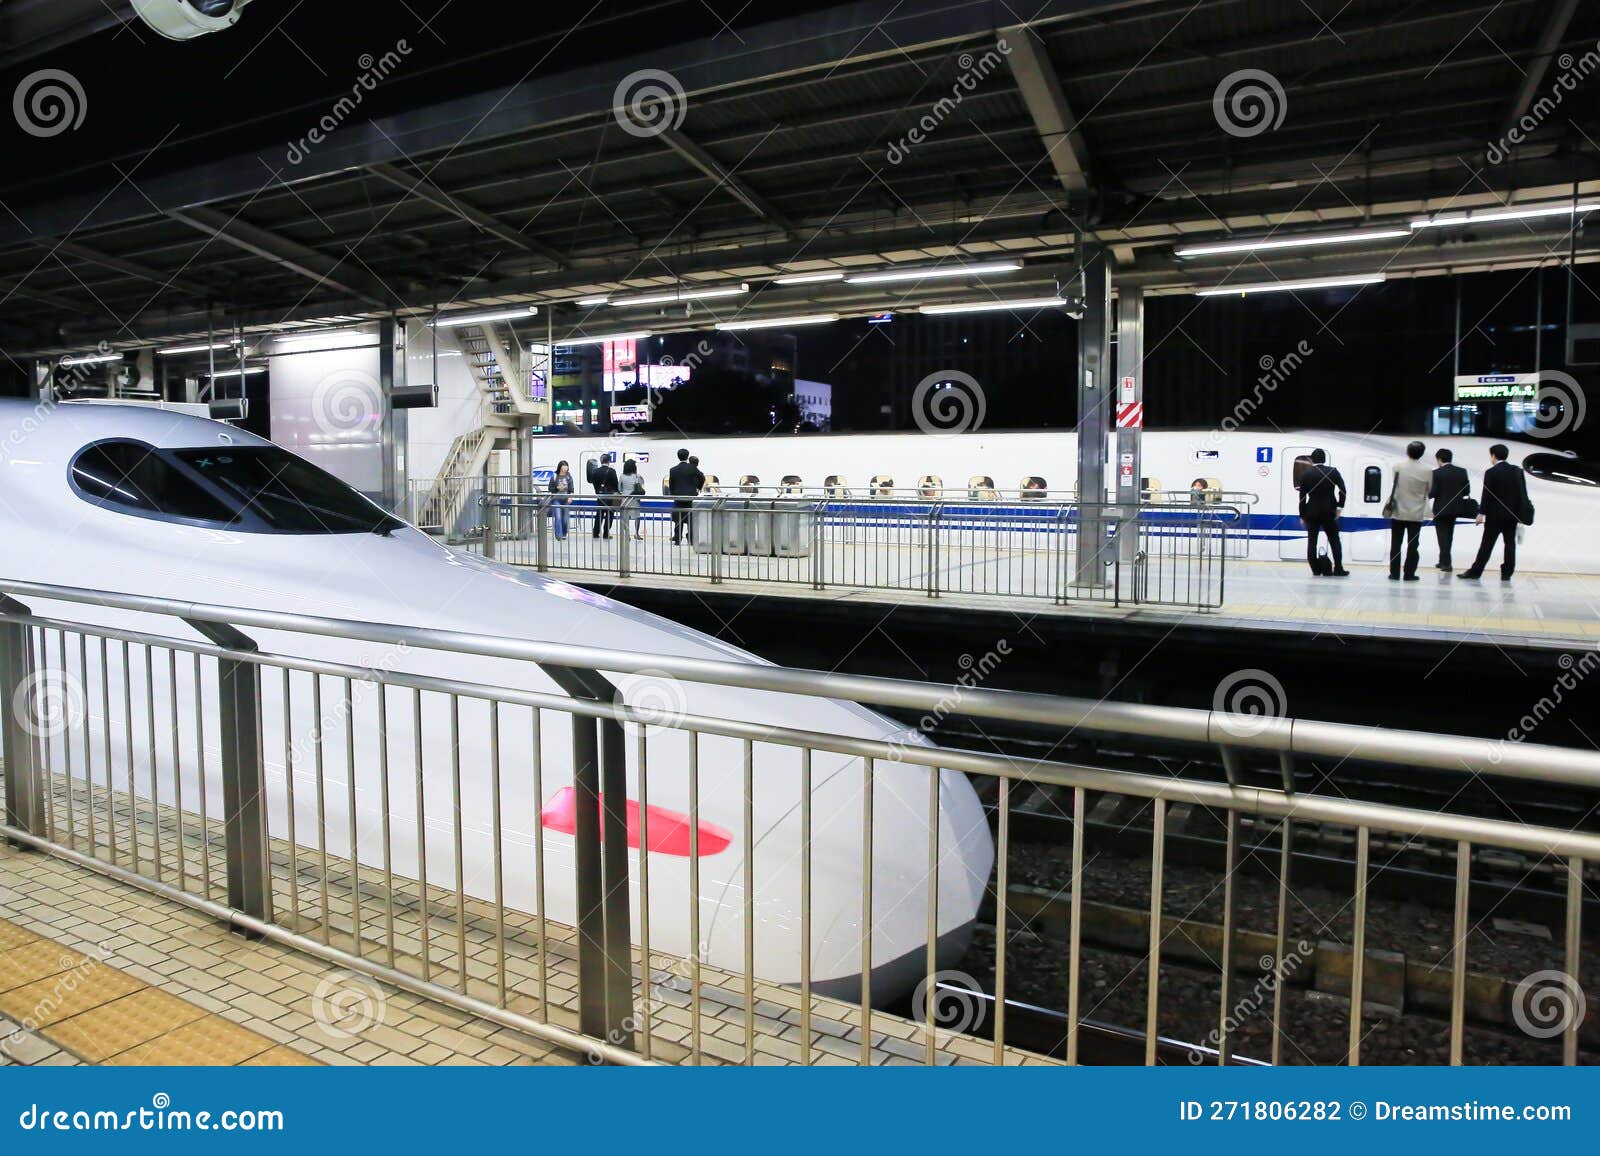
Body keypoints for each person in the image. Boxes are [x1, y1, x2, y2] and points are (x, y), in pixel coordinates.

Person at [1460, 443, 1531, 582]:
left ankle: (1476, 571)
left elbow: (1487, 495)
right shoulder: (1517, 471)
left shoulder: (1491, 472)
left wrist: (1481, 513)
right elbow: (1523, 494)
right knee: (1510, 544)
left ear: (1493, 456)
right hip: (1512, 516)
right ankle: (1507, 573)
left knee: (1486, 545)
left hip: (1494, 516)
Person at [1296, 448, 1349, 576]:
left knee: (1312, 541)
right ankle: (1338, 568)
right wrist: (1339, 507)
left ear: (1312, 460)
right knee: (1334, 539)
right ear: (1324, 459)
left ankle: (1315, 569)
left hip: (1312, 511)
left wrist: (1302, 515)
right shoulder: (1333, 472)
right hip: (1329, 511)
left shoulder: (1306, 474)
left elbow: (1302, 497)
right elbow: (1342, 490)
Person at [1385, 440, 1432, 581]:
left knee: (1395, 544)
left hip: (1398, 511)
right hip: (1416, 513)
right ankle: (1409, 574)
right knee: (1413, 545)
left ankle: (1394, 573)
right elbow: (1428, 490)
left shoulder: (1397, 467)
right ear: (1422, 454)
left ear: (1407, 451)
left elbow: (1396, 484)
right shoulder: (1427, 471)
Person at [1427, 447, 1471, 573]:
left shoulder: (1436, 473)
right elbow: (1466, 491)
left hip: (1440, 508)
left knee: (1442, 536)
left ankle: (1447, 563)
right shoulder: (1462, 471)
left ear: (1439, 459)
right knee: (1449, 535)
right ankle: (1442, 561)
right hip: (1456, 508)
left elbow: (1433, 492)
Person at [667, 447, 702, 545]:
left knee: (678, 519)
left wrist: (673, 494)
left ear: (678, 457)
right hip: (690, 498)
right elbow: (702, 477)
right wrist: (698, 488)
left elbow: (671, 484)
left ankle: (677, 539)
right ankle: (690, 539)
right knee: (690, 518)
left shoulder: (673, 470)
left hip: (678, 499)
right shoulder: (692, 468)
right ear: (687, 456)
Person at [590, 453, 619, 539]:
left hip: (600, 497)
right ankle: (606, 533)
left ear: (601, 461)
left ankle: (595, 533)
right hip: (610, 497)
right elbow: (616, 485)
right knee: (609, 515)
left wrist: (598, 492)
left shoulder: (595, 471)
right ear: (609, 461)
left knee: (599, 514)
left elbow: (594, 483)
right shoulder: (612, 471)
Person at [619, 459, 647, 541]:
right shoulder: (637, 476)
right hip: (635, 499)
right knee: (637, 516)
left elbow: (619, 488)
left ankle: (627, 535)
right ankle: (636, 533)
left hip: (625, 499)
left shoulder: (622, 476)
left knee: (625, 517)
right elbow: (641, 486)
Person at [548, 460, 573, 540]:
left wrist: (570, 496)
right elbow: (550, 488)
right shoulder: (554, 476)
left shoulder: (569, 476)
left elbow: (571, 489)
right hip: (556, 499)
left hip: (565, 499)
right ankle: (559, 535)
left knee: (565, 518)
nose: (565, 470)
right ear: (560, 468)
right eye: (563, 468)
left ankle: (564, 533)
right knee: (558, 517)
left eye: (566, 468)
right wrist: (556, 488)